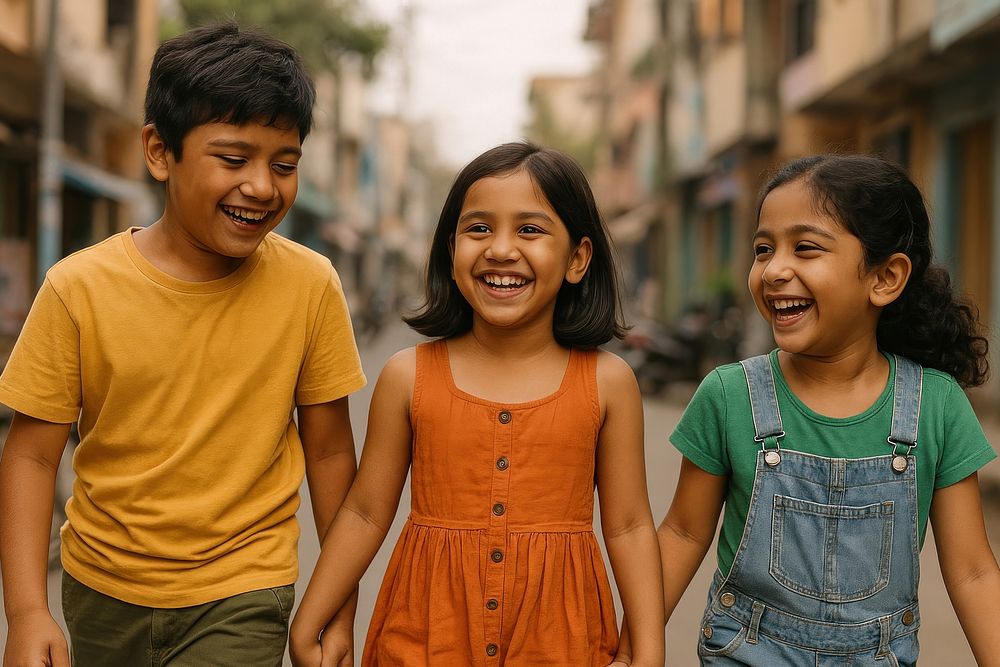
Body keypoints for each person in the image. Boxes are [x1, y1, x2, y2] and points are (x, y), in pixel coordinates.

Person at [0, 23, 366, 666]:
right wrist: (28, 611)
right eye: (233, 159)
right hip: (101, 588)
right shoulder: (77, 288)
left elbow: (331, 450)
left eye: (285, 165)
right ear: (159, 151)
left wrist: (339, 605)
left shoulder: (311, 285)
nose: (262, 186)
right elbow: (31, 457)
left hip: (244, 590)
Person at [289, 142, 665, 666]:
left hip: (561, 643)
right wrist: (313, 615)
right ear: (450, 249)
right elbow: (365, 511)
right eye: (479, 228)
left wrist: (648, 649)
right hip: (423, 638)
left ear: (578, 258)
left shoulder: (609, 382)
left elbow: (627, 526)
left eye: (529, 230)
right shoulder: (406, 376)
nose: (500, 250)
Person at [655, 154, 999, 665]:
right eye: (763, 249)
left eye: (806, 248)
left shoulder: (937, 405)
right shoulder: (730, 395)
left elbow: (973, 570)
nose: (774, 269)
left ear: (884, 278)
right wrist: (627, 645)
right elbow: (682, 533)